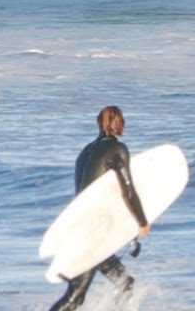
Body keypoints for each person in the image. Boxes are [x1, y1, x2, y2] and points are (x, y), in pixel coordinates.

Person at [50, 105, 152, 311]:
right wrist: (142, 222)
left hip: (81, 228)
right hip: (91, 235)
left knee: (126, 284)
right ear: (121, 124)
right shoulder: (117, 149)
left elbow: (92, 193)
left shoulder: (86, 151)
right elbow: (128, 191)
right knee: (76, 295)